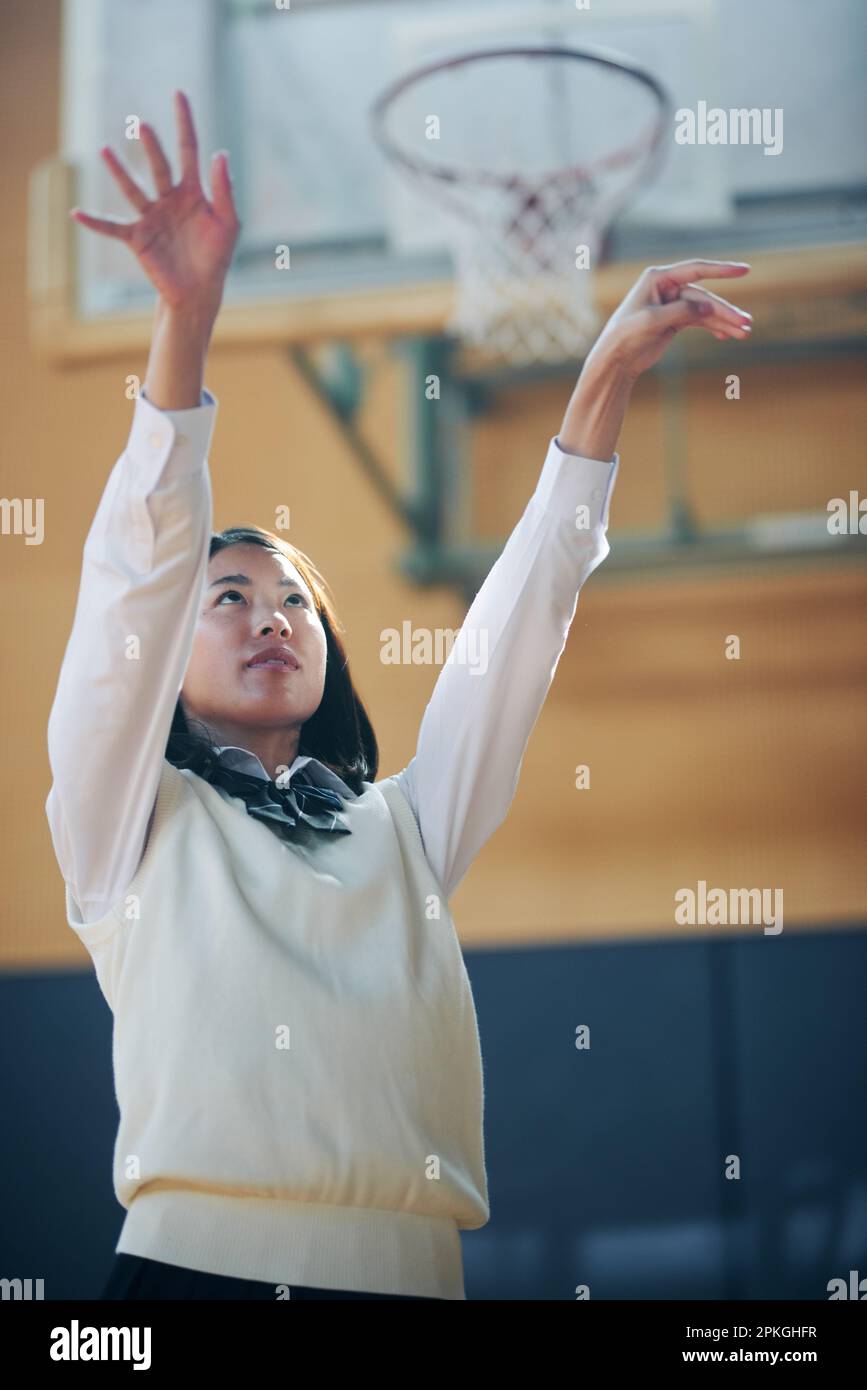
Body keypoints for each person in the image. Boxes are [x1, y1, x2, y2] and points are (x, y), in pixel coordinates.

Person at [46, 91, 754, 1301]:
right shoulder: (132, 822)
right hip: (189, 1280)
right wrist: (188, 322)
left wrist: (602, 378)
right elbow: (129, 592)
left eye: (297, 602)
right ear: (168, 656)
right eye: (229, 597)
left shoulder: (406, 835)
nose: (272, 615)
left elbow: (519, 631)